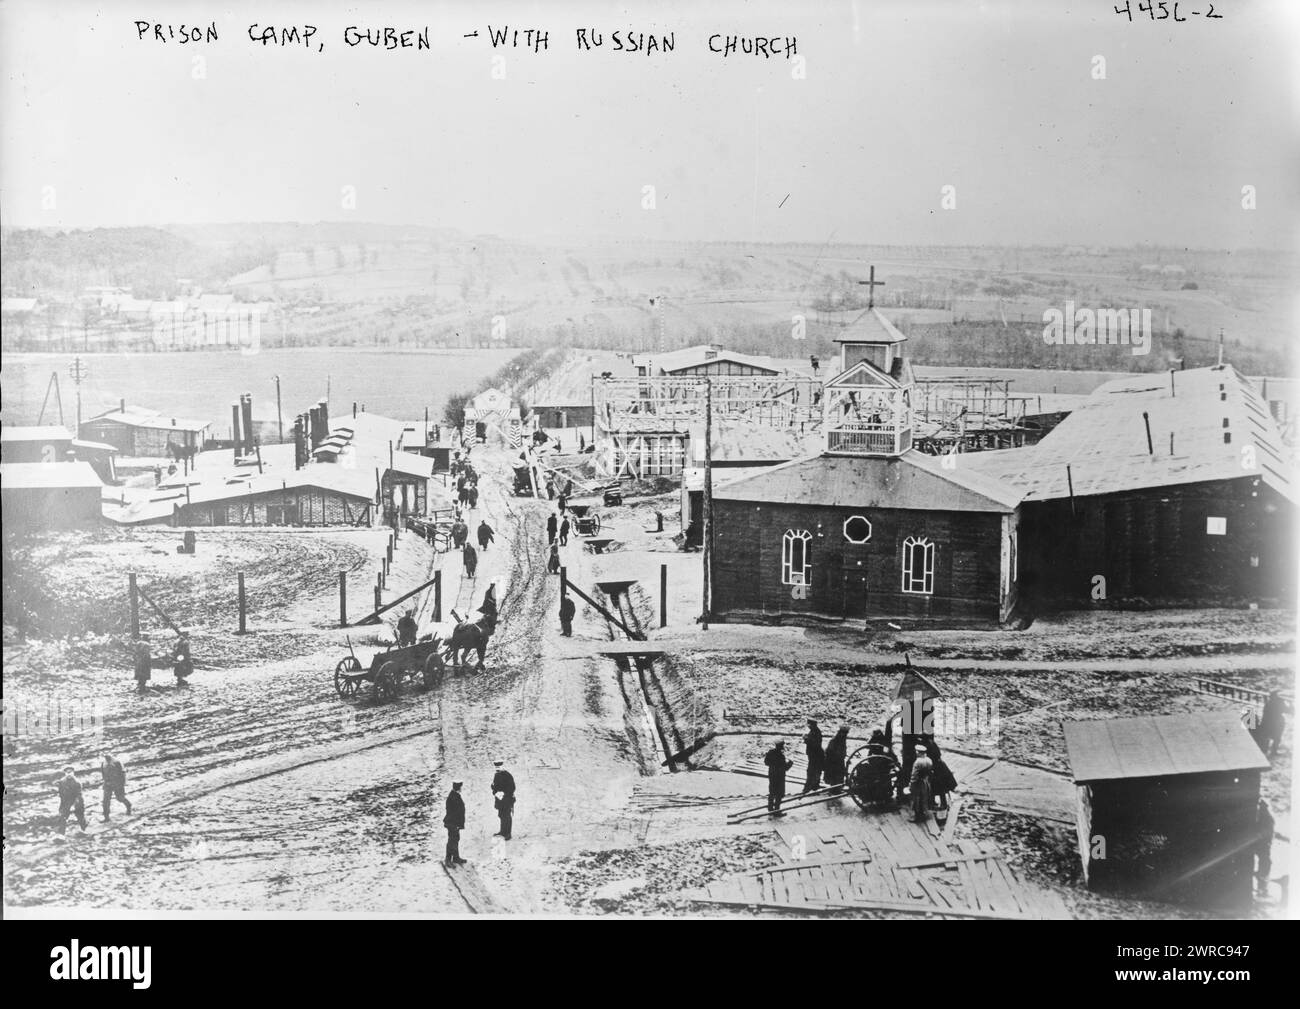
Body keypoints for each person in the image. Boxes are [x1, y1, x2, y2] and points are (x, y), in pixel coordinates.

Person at [925, 736, 959, 811]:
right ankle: (936, 803)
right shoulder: (932, 743)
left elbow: (930, 758)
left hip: (936, 768)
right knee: (938, 787)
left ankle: (941, 804)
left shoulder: (928, 746)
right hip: (939, 766)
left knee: (938, 787)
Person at [764, 740, 793, 814]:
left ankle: (770, 808)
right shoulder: (781, 756)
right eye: (782, 746)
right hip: (779, 776)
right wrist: (790, 763)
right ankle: (777, 810)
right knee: (779, 793)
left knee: (772, 792)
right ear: (781, 746)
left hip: (772, 775)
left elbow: (766, 762)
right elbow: (785, 768)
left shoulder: (770, 752)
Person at [56, 766, 88, 834]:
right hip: (66, 801)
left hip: (77, 801)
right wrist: (62, 805)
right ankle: (61, 834)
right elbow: (61, 794)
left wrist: (74, 805)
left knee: (80, 816)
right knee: (63, 817)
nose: (69, 774)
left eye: (70, 772)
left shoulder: (77, 782)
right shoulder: (62, 781)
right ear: (65, 773)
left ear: (73, 773)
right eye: (67, 772)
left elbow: (78, 795)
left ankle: (84, 829)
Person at [101, 753, 132, 821]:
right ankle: (106, 817)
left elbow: (123, 773)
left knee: (120, 798)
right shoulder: (103, 763)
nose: (106, 757)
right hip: (107, 784)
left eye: (108, 755)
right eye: (105, 756)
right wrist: (105, 782)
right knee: (105, 801)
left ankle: (128, 805)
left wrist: (122, 784)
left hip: (117, 784)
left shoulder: (117, 762)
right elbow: (103, 774)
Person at [491, 760, 517, 840]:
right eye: (496, 767)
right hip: (500, 800)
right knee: (501, 815)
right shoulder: (497, 775)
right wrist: (494, 790)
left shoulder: (507, 775)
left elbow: (512, 787)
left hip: (507, 800)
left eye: (499, 767)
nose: (497, 769)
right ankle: (502, 831)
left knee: (507, 816)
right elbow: (495, 786)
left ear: (502, 766)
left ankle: (508, 834)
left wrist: (504, 794)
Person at [443, 780, 467, 867]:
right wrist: (456, 824)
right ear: (458, 788)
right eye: (461, 787)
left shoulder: (455, 795)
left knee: (455, 839)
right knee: (452, 841)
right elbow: (453, 812)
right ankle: (448, 859)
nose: (461, 788)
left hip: (454, 823)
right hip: (452, 823)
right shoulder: (453, 797)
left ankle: (456, 857)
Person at [1254, 799, 1274, 896]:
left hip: (1263, 844)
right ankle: (1262, 886)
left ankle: (1262, 886)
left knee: (1265, 862)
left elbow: (1267, 834)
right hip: (1263, 845)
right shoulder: (1267, 818)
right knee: (1265, 862)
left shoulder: (1266, 818)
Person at [910, 745, 934, 823]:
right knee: (925, 798)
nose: (916, 753)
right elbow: (930, 772)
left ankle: (916, 817)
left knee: (916, 799)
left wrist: (911, 784)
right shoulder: (929, 760)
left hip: (918, 783)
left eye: (917, 751)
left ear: (919, 752)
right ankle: (924, 814)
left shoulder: (917, 762)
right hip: (926, 782)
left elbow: (914, 775)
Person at [1259, 691, 1286, 759]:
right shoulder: (1279, 703)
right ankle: (1273, 752)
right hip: (1277, 723)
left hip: (1267, 722)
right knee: (1277, 737)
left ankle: (1264, 751)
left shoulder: (1268, 703)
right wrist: (1290, 704)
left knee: (1266, 737)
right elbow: (1288, 710)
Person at [802, 719, 824, 793]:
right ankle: (814, 786)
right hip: (814, 755)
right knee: (814, 771)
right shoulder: (815, 731)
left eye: (809, 724)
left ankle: (809, 788)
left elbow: (814, 744)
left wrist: (806, 739)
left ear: (812, 724)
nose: (808, 726)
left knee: (812, 771)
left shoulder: (815, 732)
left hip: (816, 756)